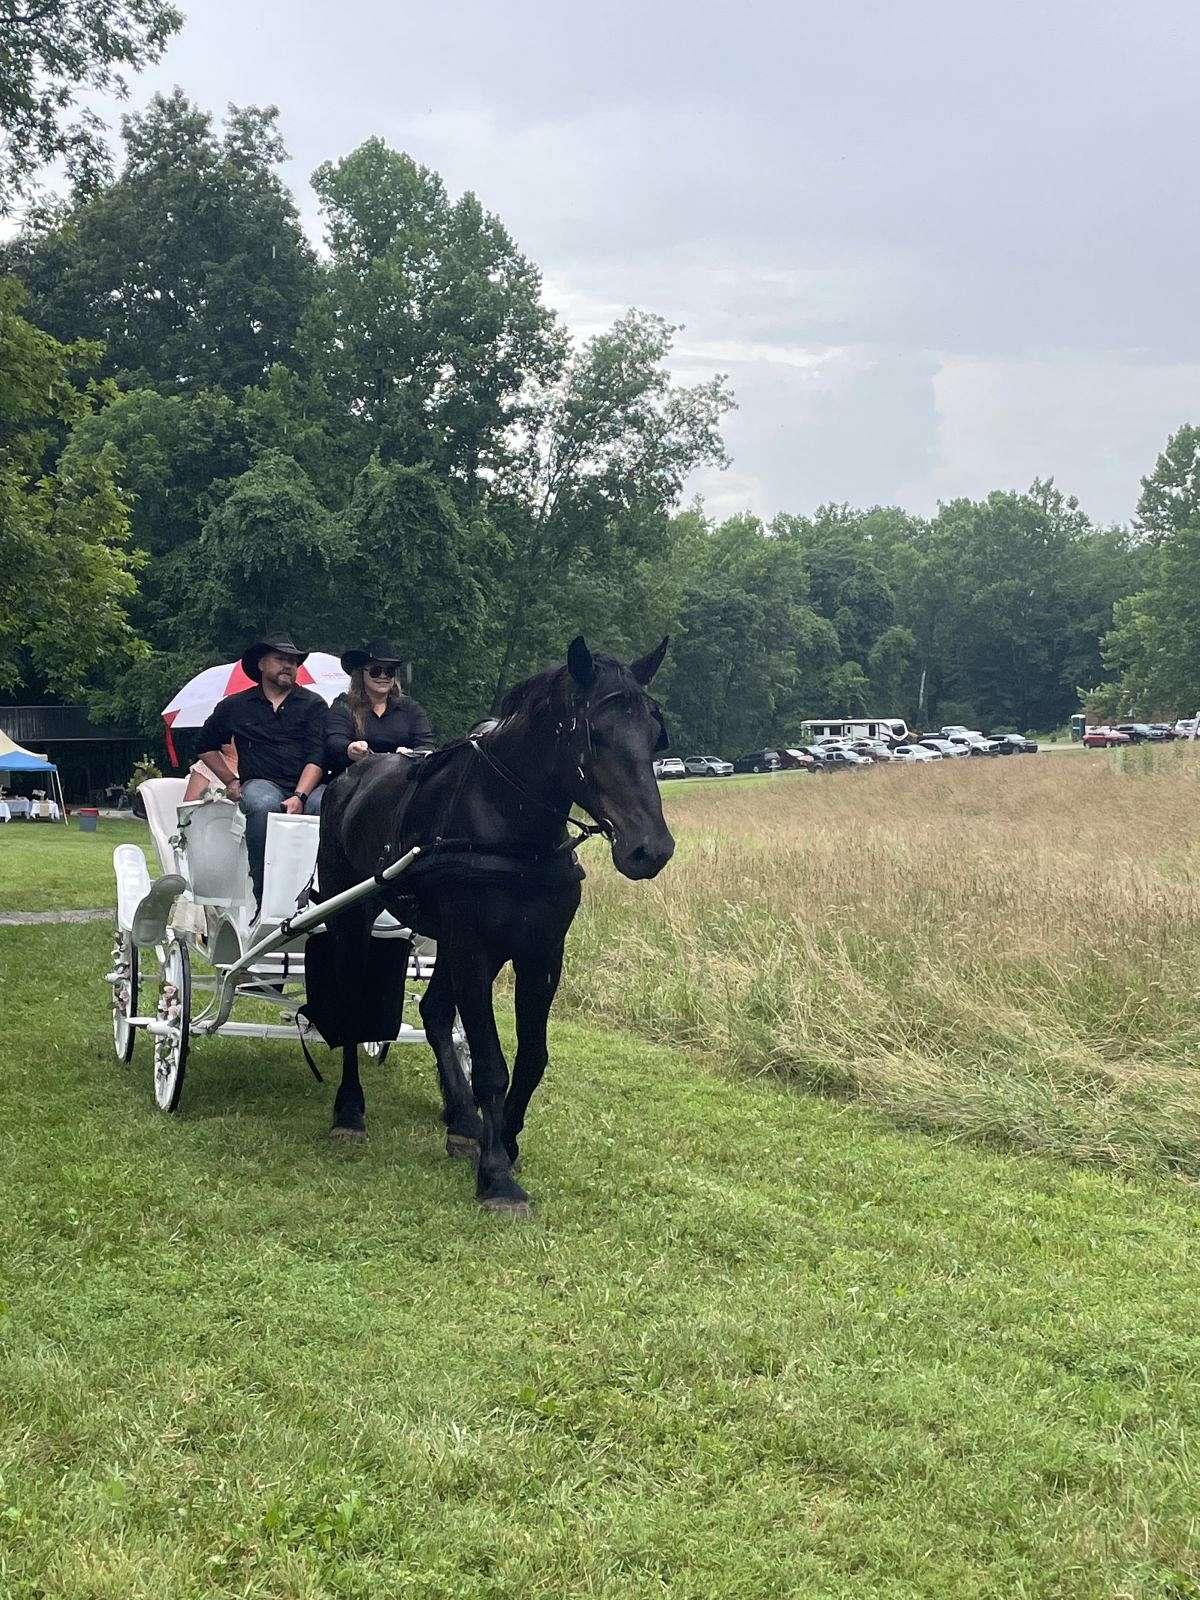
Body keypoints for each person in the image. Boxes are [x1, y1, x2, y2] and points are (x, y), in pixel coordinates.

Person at [197, 633, 325, 910]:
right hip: (261, 783)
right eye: (280, 659)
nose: (288, 665)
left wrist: (300, 796)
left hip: (310, 785)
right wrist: (230, 780)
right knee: (263, 803)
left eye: (293, 661)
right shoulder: (235, 706)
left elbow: (318, 756)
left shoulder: (313, 704)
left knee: (327, 804)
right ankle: (265, 897)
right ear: (261, 664)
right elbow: (205, 746)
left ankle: (322, 893)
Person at [324, 637, 435, 777]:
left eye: (389, 671)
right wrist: (350, 748)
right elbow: (334, 740)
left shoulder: (410, 708)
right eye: (375, 671)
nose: (383, 676)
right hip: (351, 779)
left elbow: (427, 745)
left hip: (402, 780)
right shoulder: (344, 705)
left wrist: (412, 754)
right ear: (361, 673)